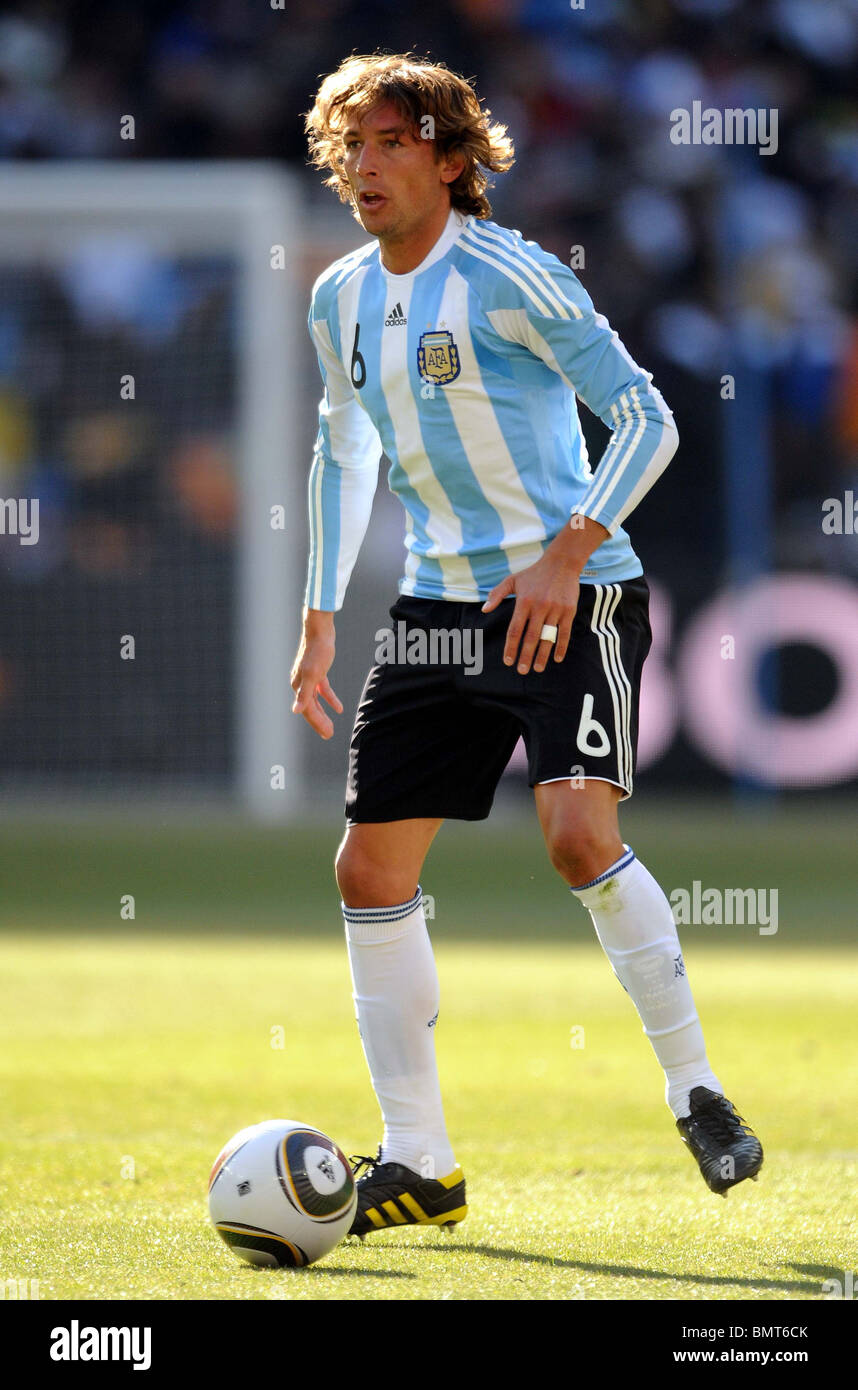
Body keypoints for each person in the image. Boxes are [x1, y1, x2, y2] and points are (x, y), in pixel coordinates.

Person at [290, 53, 763, 1238]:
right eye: (352, 142)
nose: (366, 162)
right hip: (439, 612)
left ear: (450, 158)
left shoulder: (515, 275)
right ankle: (420, 1162)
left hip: (572, 596)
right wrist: (316, 618)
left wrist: (567, 548)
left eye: (392, 141)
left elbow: (646, 416)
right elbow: (342, 454)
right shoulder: (339, 294)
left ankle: (695, 1087)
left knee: (576, 836)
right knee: (366, 872)